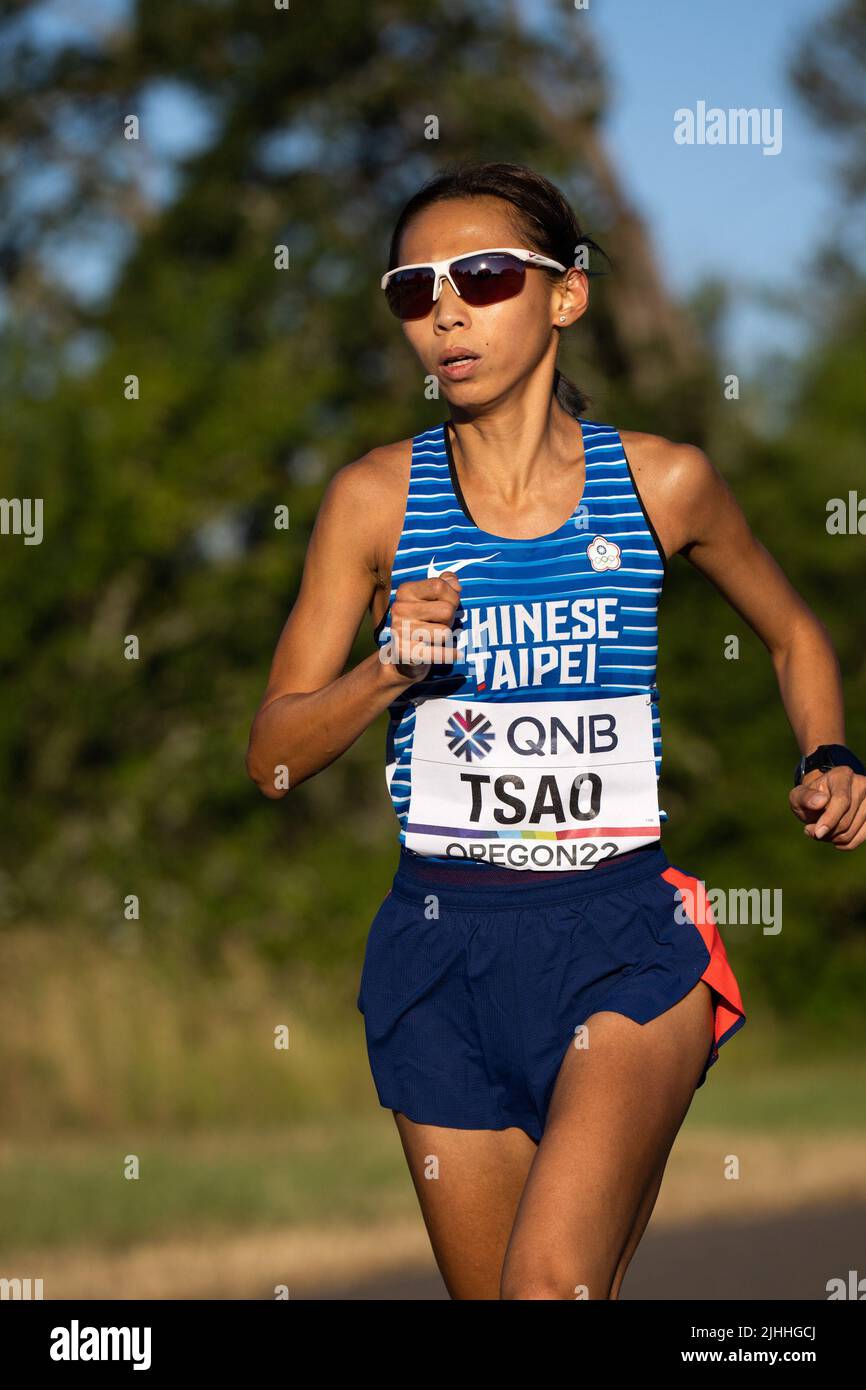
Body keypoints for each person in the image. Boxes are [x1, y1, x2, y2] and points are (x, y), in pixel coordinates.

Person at [245, 161, 866, 1300]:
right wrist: (386, 668)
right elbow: (273, 755)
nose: (444, 310)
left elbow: (792, 636)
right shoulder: (372, 500)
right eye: (412, 288)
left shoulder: (661, 483)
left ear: (565, 296)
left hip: (620, 938)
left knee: (548, 1285)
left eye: (481, 276)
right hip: (438, 954)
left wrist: (826, 753)